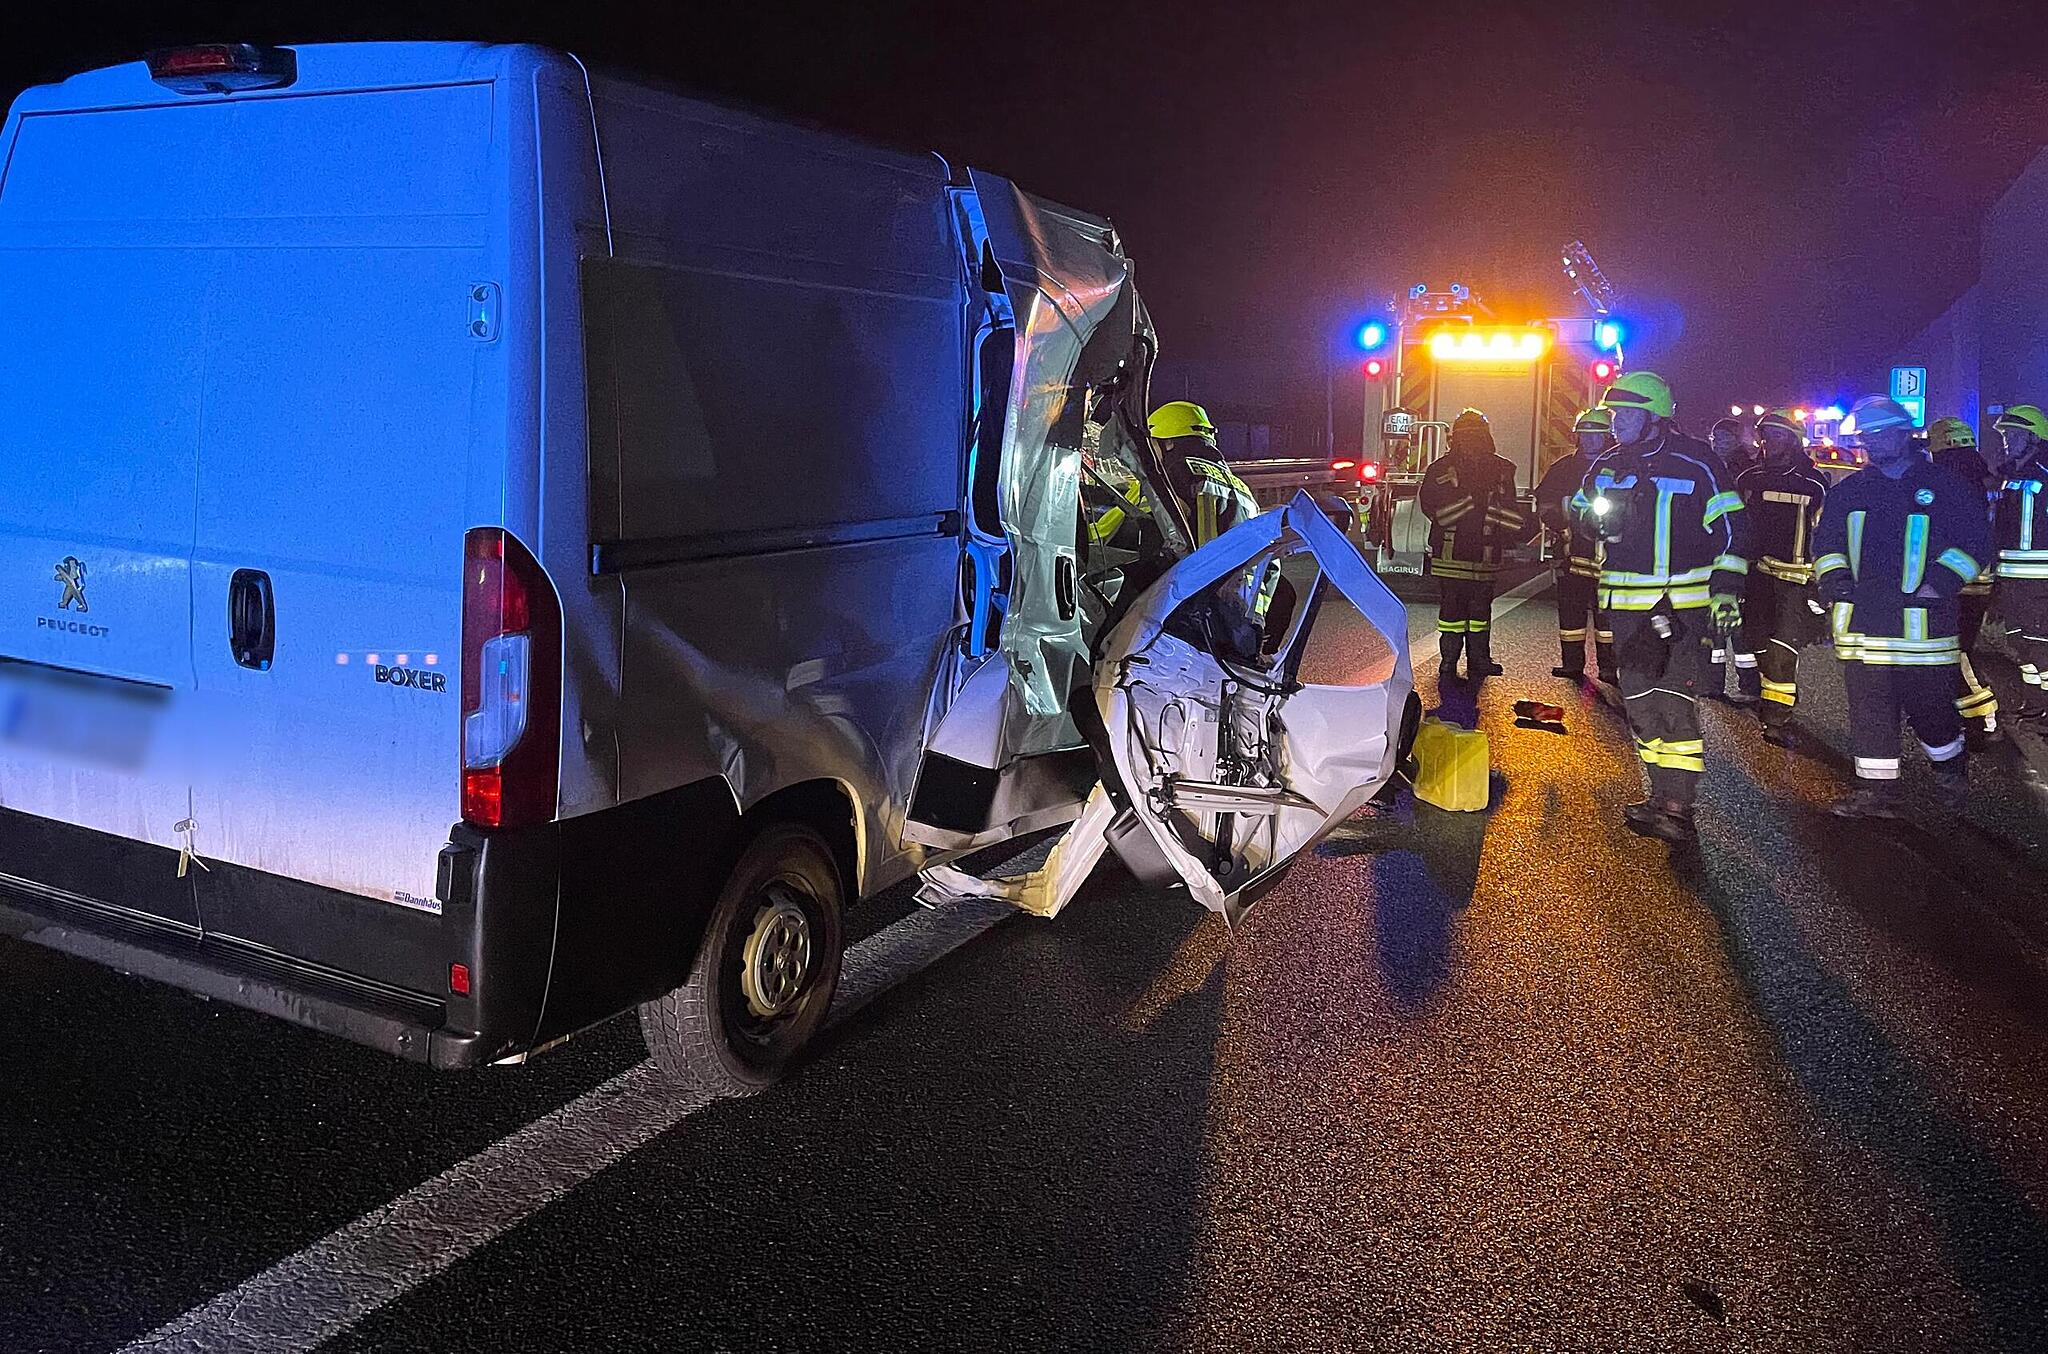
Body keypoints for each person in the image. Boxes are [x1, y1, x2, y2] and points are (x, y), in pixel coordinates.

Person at [1572, 371, 1750, 843]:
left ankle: (1678, 805)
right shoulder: (1608, 464)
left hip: (1682, 608)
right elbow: (1579, 507)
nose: (1617, 422)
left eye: (1627, 414)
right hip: (1626, 608)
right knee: (1638, 701)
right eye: (1614, 414)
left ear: (1654, 418)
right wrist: (1590, 520)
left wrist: (1727, 589)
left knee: (1674, 702)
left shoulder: (1698, 462)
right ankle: (1660, 793)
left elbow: (1734, 529)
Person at [1815, 396, 1991, 816]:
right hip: (1865, 627)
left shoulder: (1945, 486)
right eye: (1868, 436)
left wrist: (1940, 584)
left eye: (1882, 433)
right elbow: (1827, 544)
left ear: (1905, 434)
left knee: (1931, 713)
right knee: (1870, 712)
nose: (1873, 442)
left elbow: (1976, 542)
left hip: (1924, 629)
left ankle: (1949, 769)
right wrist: (1835, 579)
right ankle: (1877, 793)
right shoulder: (1849, 492)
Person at [1728, 408, 1830, 747]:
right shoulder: (1748, 480)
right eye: (1767, 435)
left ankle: (1776, 718)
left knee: (1782, 648)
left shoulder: (1814, 484)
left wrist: (1823, 581)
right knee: (1755, 639)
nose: (1770, 442)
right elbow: (1735, 527)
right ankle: (1774, 697)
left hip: (1797, 581)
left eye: (1779, 435)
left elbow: (1826, 533)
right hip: (1756, 575)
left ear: (1794, 441)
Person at [1419, 408, 1530, 683]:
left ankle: (1461, 661)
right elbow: (1434, 509)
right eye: (1467, 436)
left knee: (1460, 611)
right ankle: (1460, 660)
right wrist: (1478, 506)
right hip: (1469, 553)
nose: (1471, 441)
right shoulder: (1494, 468)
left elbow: (1433, 509)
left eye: (1475, 435)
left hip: (1467, 553)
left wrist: (1487, 513)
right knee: (1467, 611)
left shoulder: (1443, 468)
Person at [1925, 416, 2000, 741]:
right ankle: (1967, 716)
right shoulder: (1983, 478)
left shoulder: (1950, 481)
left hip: (1957, 582)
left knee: (1953, 650)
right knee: (1955, 648)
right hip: (1976, 580)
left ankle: (1982, 718)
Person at [1535, 407, 1618, 682]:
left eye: (1597, 435)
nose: (1590, 440)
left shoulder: (1621, 467)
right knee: (1570, 612)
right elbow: (1545, 503)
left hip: (1612, 558)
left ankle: (1608, 667)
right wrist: (1561, 525)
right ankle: (1572, 664)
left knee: (1607, 617)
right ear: (1577, 437)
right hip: (1572, 553)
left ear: (1608, 437)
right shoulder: (1562, 469)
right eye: (1585, 434)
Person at [1991, 404, 2048, 720]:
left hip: (2040, 581)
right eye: (2005, 435)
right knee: (2019, 643)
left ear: (2034, 438)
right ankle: (2035, 704)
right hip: (2011, 577)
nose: (2007, 441)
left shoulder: (2043, 474)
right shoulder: (2011, 477)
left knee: (2041, 646)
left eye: (2014, 435)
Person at [1146, 401, 1259, 546]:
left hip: (1203, 560)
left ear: (1168, 443)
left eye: (1153, 444)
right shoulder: (1242, 488)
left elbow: (1155, 521)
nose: (1150, 453)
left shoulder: (1176, 472)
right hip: (1242, 560)